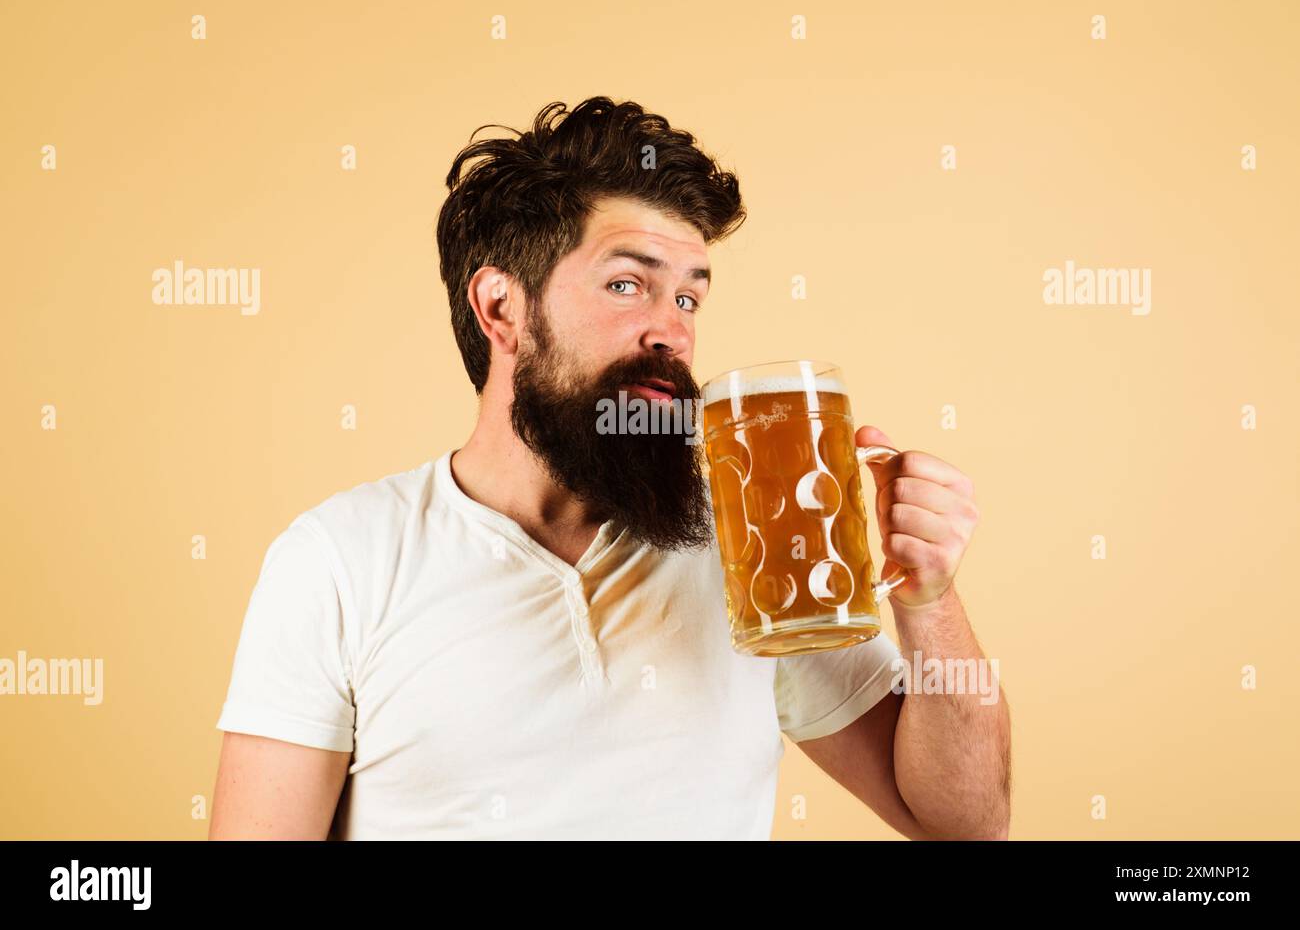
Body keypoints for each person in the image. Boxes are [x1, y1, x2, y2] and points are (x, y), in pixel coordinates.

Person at [209, 96, 1009, 840]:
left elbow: (965, 822)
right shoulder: (340, 558)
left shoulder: (755, 545)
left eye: (689, 299)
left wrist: (928, 600)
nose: (672, 332)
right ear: (502, 309)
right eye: (628, 284)